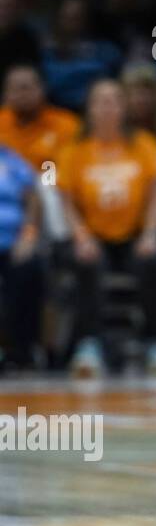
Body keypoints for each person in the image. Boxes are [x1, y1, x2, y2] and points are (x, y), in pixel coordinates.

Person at [57, 78, 156, 376]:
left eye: (114, 101)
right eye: (100, 101)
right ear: (90, 109)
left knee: (155, 259)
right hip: (93, 234)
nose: (107, 107)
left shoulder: (144, 145)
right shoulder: (74, 150)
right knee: (87, 262)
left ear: (124, 108)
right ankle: (89, 345)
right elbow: (67, 204)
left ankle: (155, 344)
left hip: (134, 234)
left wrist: (150, 234)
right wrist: (82, 238)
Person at [0, 141, 43, 369]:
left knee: (30, 267)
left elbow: (33, 200)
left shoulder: (11, 160)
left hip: (12, 244)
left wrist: (28, 236)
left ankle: (21, 351)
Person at [0, 62, 81, 171]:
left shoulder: (66, 124)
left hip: (50, 183)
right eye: (15, 89)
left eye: (26, 88)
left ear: (42, 89)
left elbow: (72, 168)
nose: (22, 94)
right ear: (6, 94)